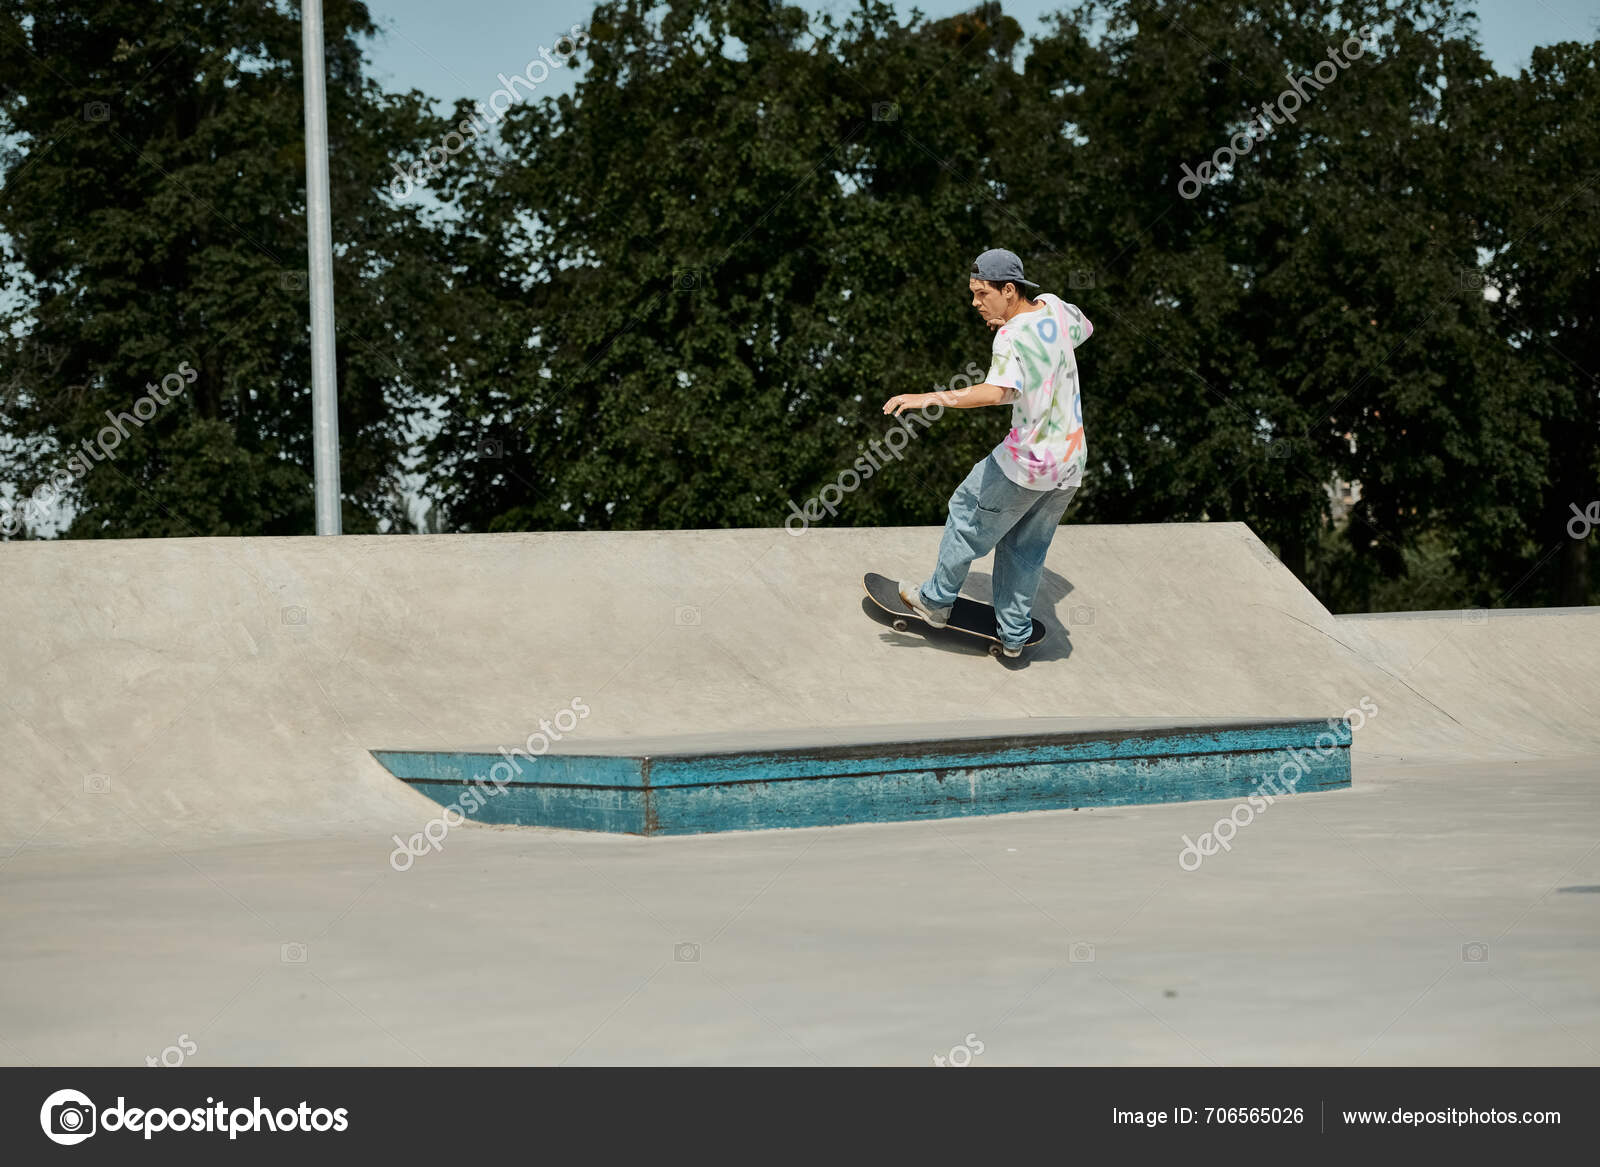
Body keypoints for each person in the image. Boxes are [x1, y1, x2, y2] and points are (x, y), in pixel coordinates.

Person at [881, 248, 1092, 657]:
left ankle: (936, 601)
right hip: (1070, 462)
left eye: (981, 294)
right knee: (1026, 546)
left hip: (1027, 463)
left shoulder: (1010, 336)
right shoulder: (1056, 307)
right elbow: (1086, 326)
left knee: (965, 513)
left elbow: (997, 392)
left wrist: (929, 397)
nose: (975, 303)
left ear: (1008, 290)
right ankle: (1014, 635)